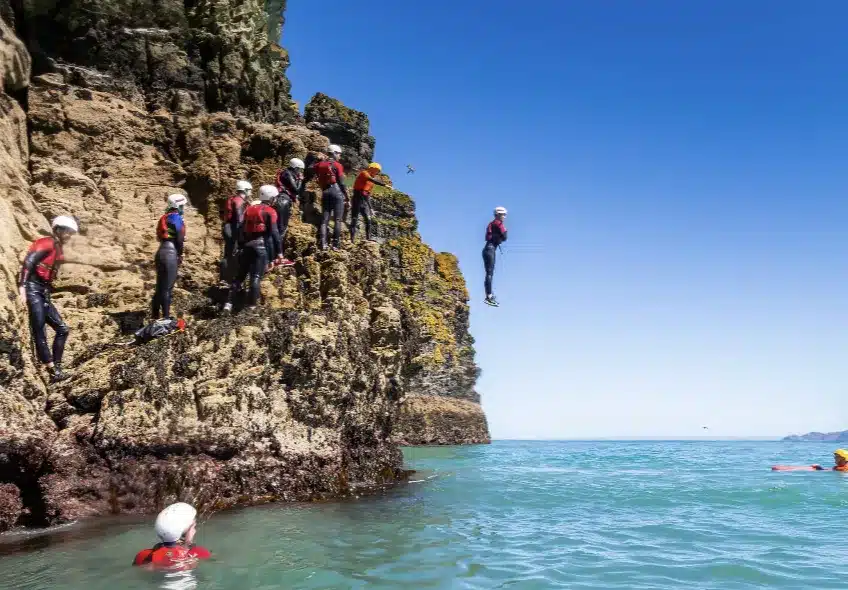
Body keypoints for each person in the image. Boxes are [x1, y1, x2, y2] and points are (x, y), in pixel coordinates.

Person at [18, 216, 79, 383]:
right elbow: (29, 263)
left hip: (43, 292)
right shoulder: (46, 243)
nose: (69, 236)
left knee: (62, 329)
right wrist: (22, 288)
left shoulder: (58, 248)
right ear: (58, 230)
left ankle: (58, 367)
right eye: (68, 232)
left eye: (71, 233)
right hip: (32, 289)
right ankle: (52, 370)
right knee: (39, 329)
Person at [223, 185, 282, 313]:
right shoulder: (270, 211)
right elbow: (275, 234)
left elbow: (241, 228)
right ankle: (252, 307)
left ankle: (228, 303)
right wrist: (279, 253)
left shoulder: (250, 209)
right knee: (255, 277)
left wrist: (240, 246)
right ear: (271, 198)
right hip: (260, 247)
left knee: (239, 276)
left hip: (246, 246)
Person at [132, 502, 211, 570]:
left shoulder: (143, 556)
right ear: (188, 532)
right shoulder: (197, 553)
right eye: (193, 527)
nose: (195, 530)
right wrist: (189, 543)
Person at [152, 194, 187, 320]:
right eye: (183, 206)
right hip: (171, 253)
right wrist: (180, 253)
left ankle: (155, 317)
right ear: (178, 205)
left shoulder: (164, 217)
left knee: (160, 287)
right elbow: (179, 237)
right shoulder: (175, 217)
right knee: (167, 288)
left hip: (161, 252)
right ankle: (166, 318)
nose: (184, 208)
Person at [308, 144, 348, 251]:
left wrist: (317, 159)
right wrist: (347, 196)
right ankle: (335, 245)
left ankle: (323, 244)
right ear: (334, 153)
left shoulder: (320, 164)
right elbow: (341, 183)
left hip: (325, 191)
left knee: (324, 219)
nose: (340, 156)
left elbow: (310, 168)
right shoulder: (337, 165)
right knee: (338, 220)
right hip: (336, 191)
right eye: (339, 154)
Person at [272, 158, 303, 266]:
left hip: (282, 201)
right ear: (296, 168)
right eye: (299, 170)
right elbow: (296, 189)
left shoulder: (285, 173)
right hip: (283, 202)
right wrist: (300, 179)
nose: (299, 173)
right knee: (281, 229)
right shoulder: (288, 173)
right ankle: (277, 257)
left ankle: (275, 256)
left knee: (280, 229)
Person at [350, 162, 388, 243]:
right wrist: (384, 185)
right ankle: (351, 239)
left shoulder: (371, 183)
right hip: (357, 198)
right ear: (372, 169)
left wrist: (371, 208)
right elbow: (371, 179)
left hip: (363, 200)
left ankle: (368, 238)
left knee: (368, 219)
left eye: (378, 171)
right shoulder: (364, 173)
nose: (378, 172)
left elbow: (367, 196)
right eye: (377, 170)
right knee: (354, 219)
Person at [483, 206, 508, 307]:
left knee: (489, 273)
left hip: (487, 249)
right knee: (490, 273)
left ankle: (489, 295)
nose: (504, 216)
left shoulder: (492, 224)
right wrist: (503, 233)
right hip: (490, 249)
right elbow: (505, 237)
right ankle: (489, 296)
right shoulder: (498, 223)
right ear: (498, 215)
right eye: (503, 214)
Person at [772, 449, 848, 472]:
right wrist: (819, 468)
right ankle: (787, 468)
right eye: (835, 456)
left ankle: (787, 469)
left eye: (837, 457)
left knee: (812, 469)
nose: (834, 458)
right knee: (813, 468)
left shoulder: (844, 468)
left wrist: (819, 469)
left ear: (843, 459)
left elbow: (832, 470)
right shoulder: (838, 467)